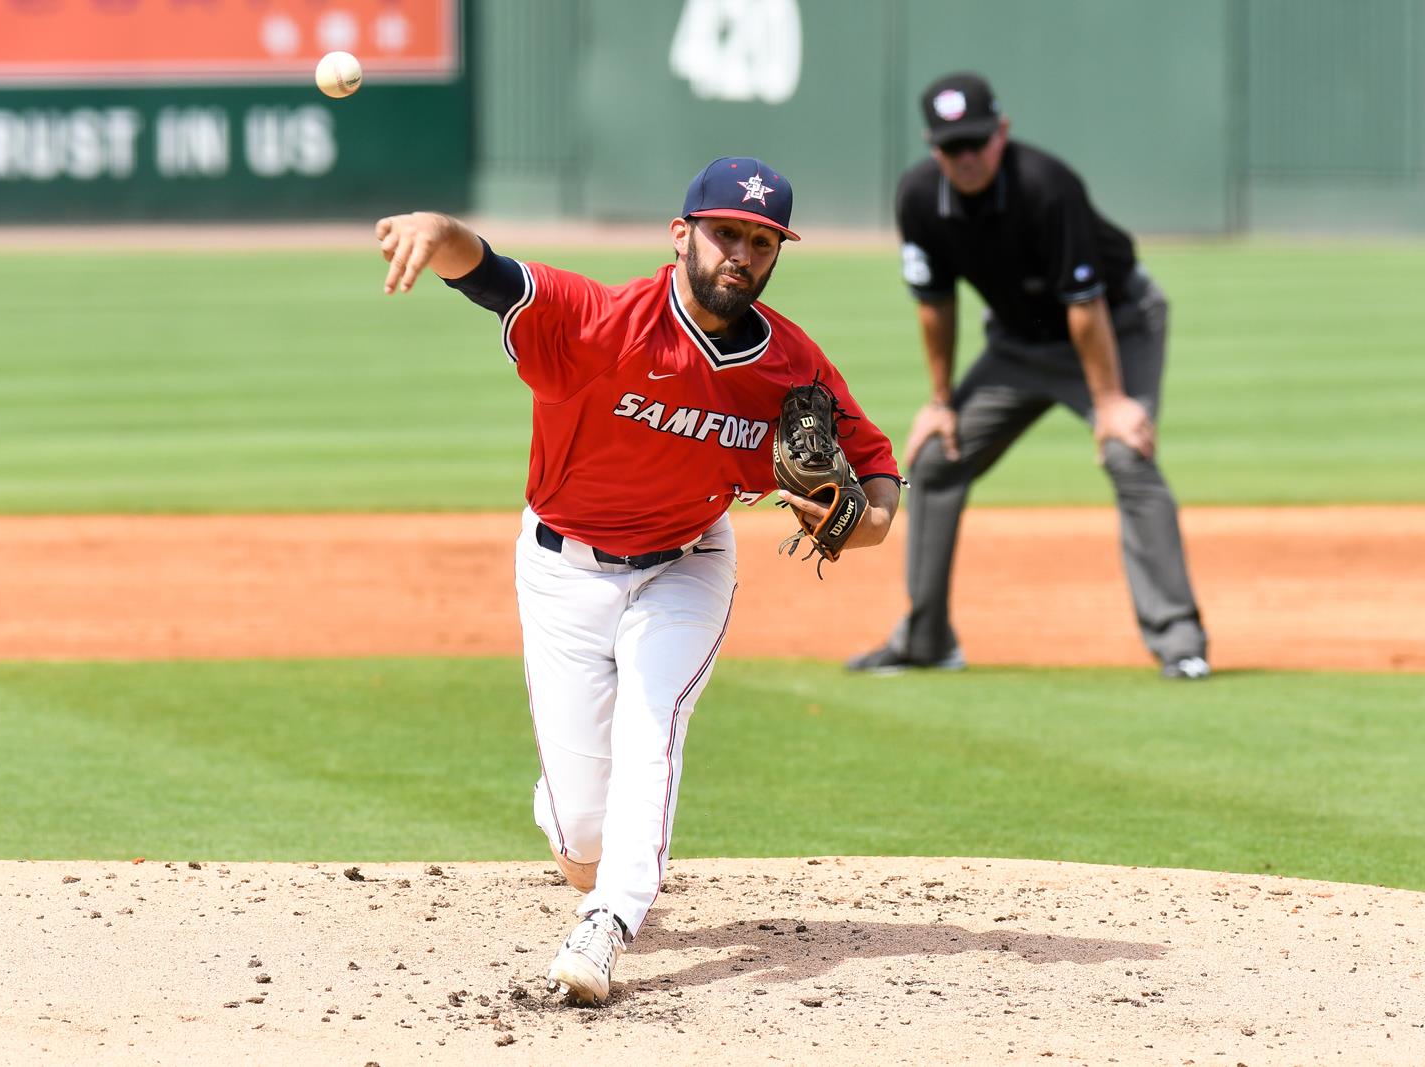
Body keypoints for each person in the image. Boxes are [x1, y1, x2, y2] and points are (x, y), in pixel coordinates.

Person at [375, 157, 903, 1005]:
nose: (741, 254)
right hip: (562, 572)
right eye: (726, 233)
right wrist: (440, 234)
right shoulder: (601, 321)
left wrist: (864, 523)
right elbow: (494, 279)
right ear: (682, 233)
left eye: (761, 242)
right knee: (581, 834)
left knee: (653, 722)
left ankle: (609, 921)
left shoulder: (791, 366)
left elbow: (876, 473)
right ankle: (585, 844)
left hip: (687, 566)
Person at [847, 72, 1210, 680]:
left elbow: (1085, 303)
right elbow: (935, 303)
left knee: (1127, 452)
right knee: (936, 458)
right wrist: (940, 401)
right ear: (932, 147)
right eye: (951, 147)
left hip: (1118, 328)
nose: (966, 157)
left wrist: (1111, 402)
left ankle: (1180, 642)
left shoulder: (1046, 185)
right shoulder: (919, 197)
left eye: (976, 141)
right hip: (1018, 346)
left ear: (1002, 132)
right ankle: (926, 640)